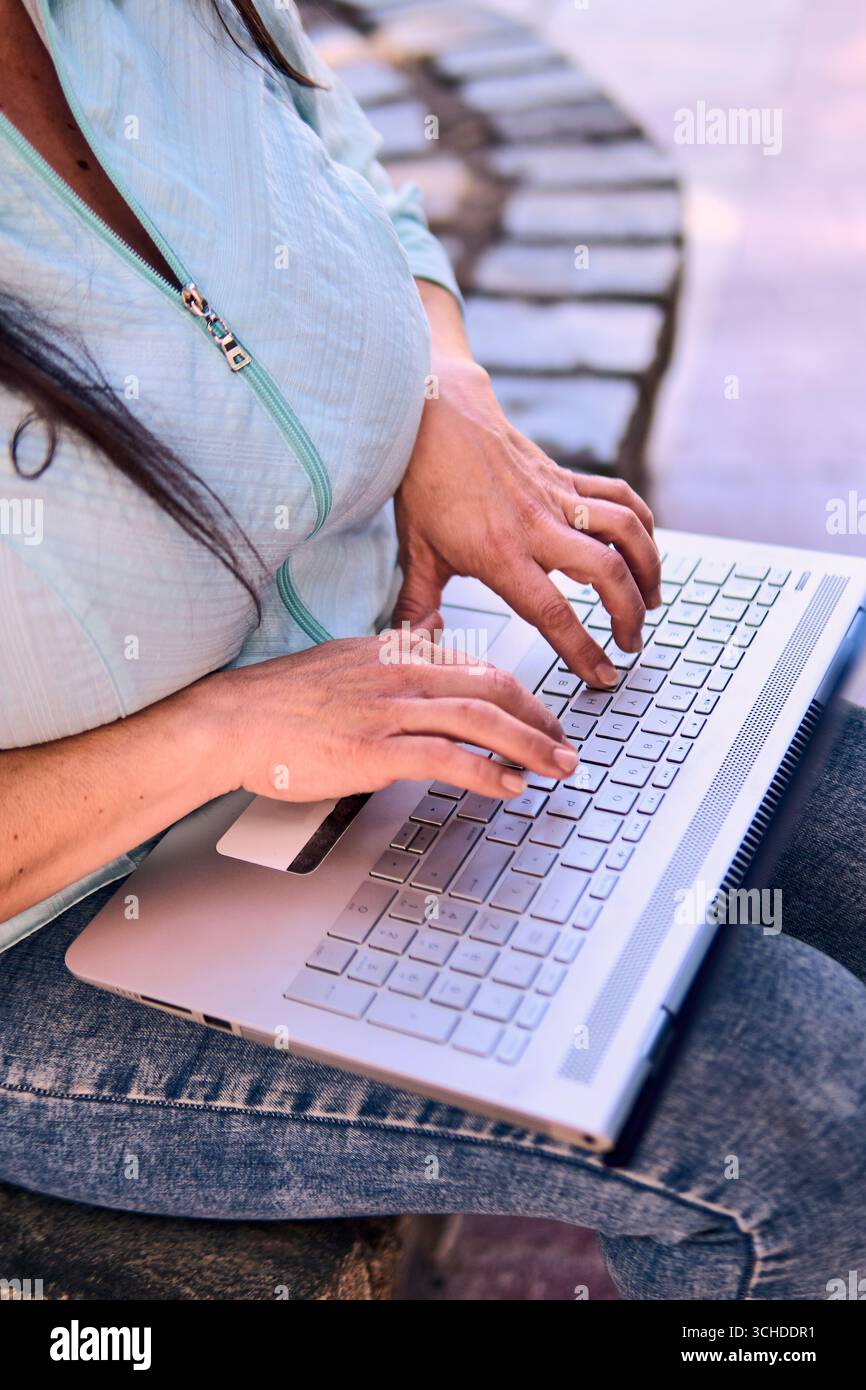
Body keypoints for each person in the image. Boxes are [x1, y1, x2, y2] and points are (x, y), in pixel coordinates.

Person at [1, 1, 863, 1300]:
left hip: (376, 694)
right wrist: (222, 730)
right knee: (793, 1110)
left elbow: (328, 143)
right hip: (64, 921)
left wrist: (433, 383)